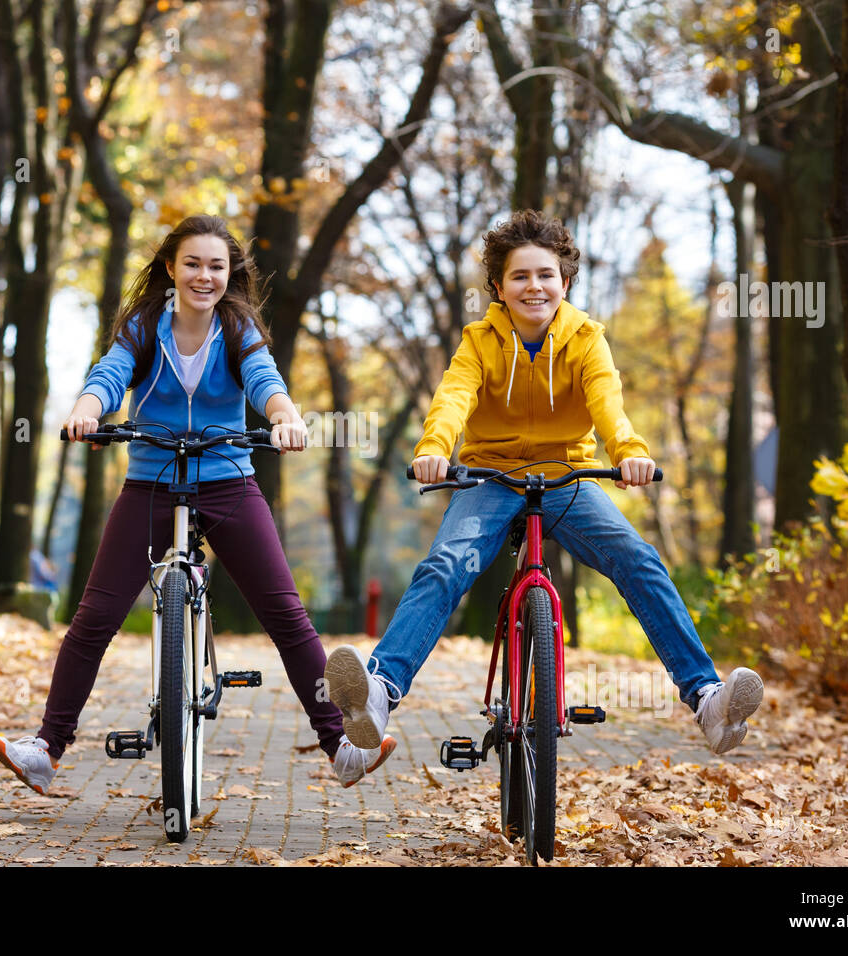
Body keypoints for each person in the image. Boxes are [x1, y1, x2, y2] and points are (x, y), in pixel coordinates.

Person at [325, 209, 762, 759]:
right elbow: (453, 398)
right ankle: (380, 692)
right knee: (445, 564)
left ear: (565, 282)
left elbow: (607, 404)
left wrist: (630, 454)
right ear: (498, 287)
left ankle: (707, 700)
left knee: (638, 558)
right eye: (520, 276)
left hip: (566, 478)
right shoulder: (478, 342)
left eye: (545, 275)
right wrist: (434, 450)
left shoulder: (587, 340)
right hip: (490, 477)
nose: (534, 286)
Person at [0, 214, 395, 793]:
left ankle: (341, 749)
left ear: (229, 274)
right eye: (193, 264)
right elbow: (110, 374)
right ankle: (46, 750)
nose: (204, 276)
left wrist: (284, 417)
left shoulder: (236, 328)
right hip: (152, 481)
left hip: (228, 480)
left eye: (216, 266)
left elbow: (265, 380)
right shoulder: (144, 324)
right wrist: (86, 409)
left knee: (287, 616)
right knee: (94, 618)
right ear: (171, 268)